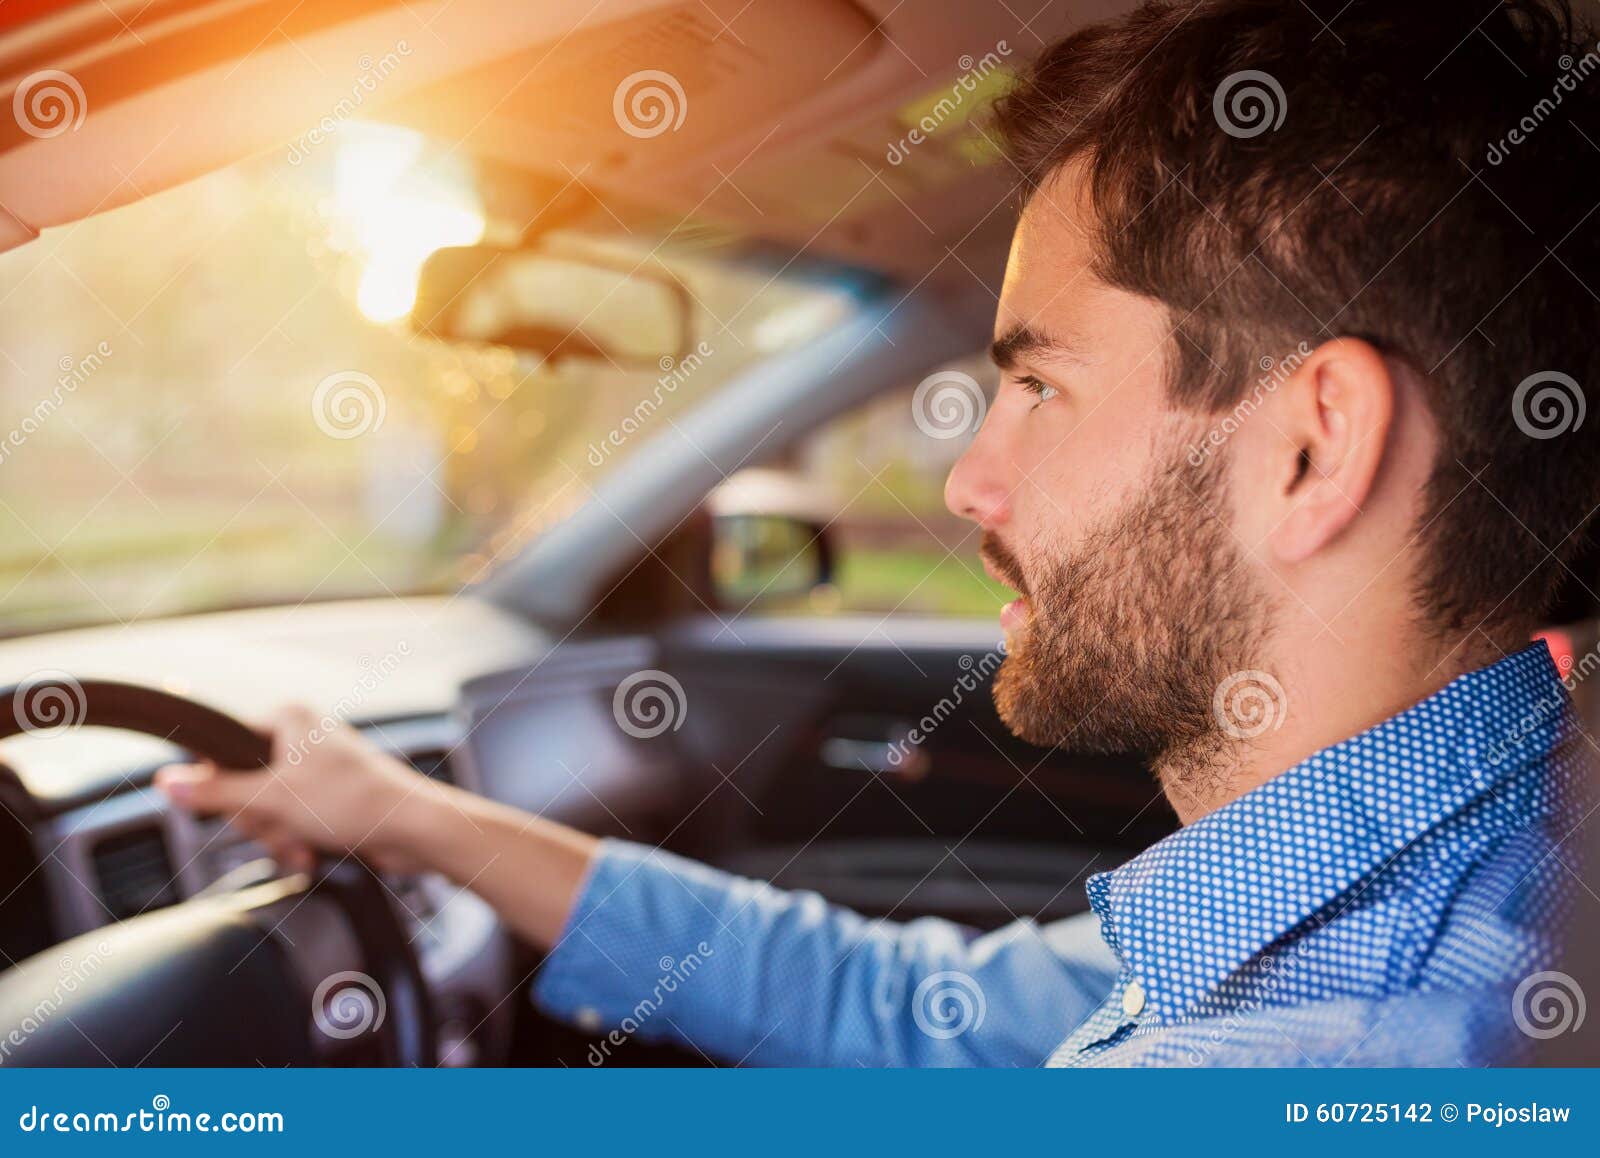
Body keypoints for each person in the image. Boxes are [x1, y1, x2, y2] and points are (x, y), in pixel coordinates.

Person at [158, 0, 1600, 1066]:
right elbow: (896, 1004)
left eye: (1038, 384)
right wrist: (406, 813)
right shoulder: (1470, 870)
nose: (972, 484)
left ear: (1311, 447)